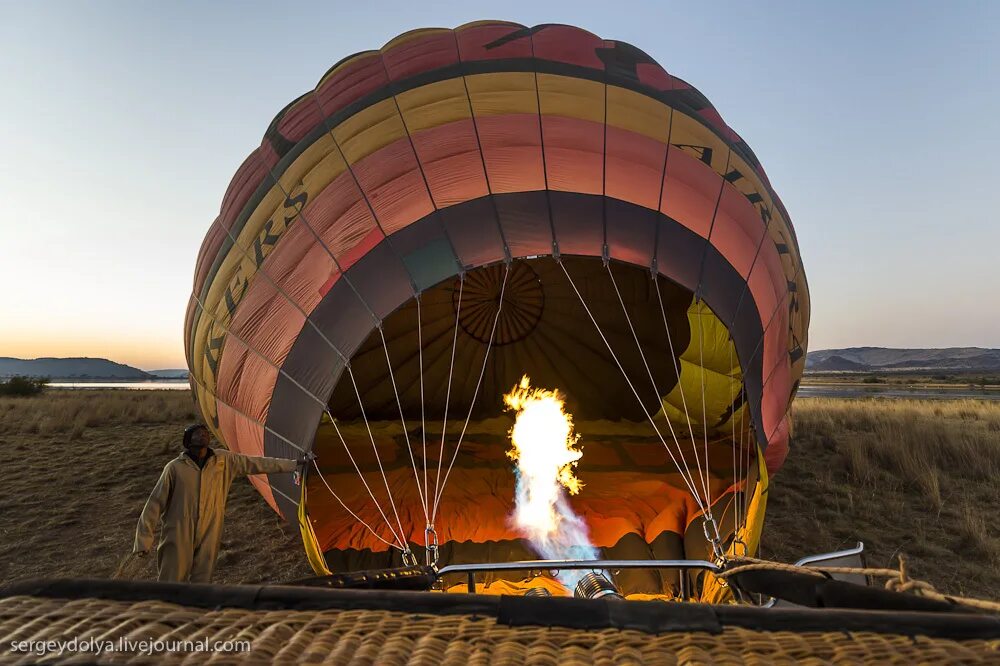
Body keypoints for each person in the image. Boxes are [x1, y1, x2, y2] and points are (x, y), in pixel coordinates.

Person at [133, 423, 308, 583]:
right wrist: (144, 540)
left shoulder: (224, 461)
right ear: (188, 440)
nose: (203, 435)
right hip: (178, 529)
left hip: (211, 527)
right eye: (197, 433)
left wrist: (293, 465)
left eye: (205, 433)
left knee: (203, 577)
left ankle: (199, 613)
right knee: (172, 578)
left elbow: (256, 463)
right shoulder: (175, 468)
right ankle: (168, 613)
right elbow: (155, 504)